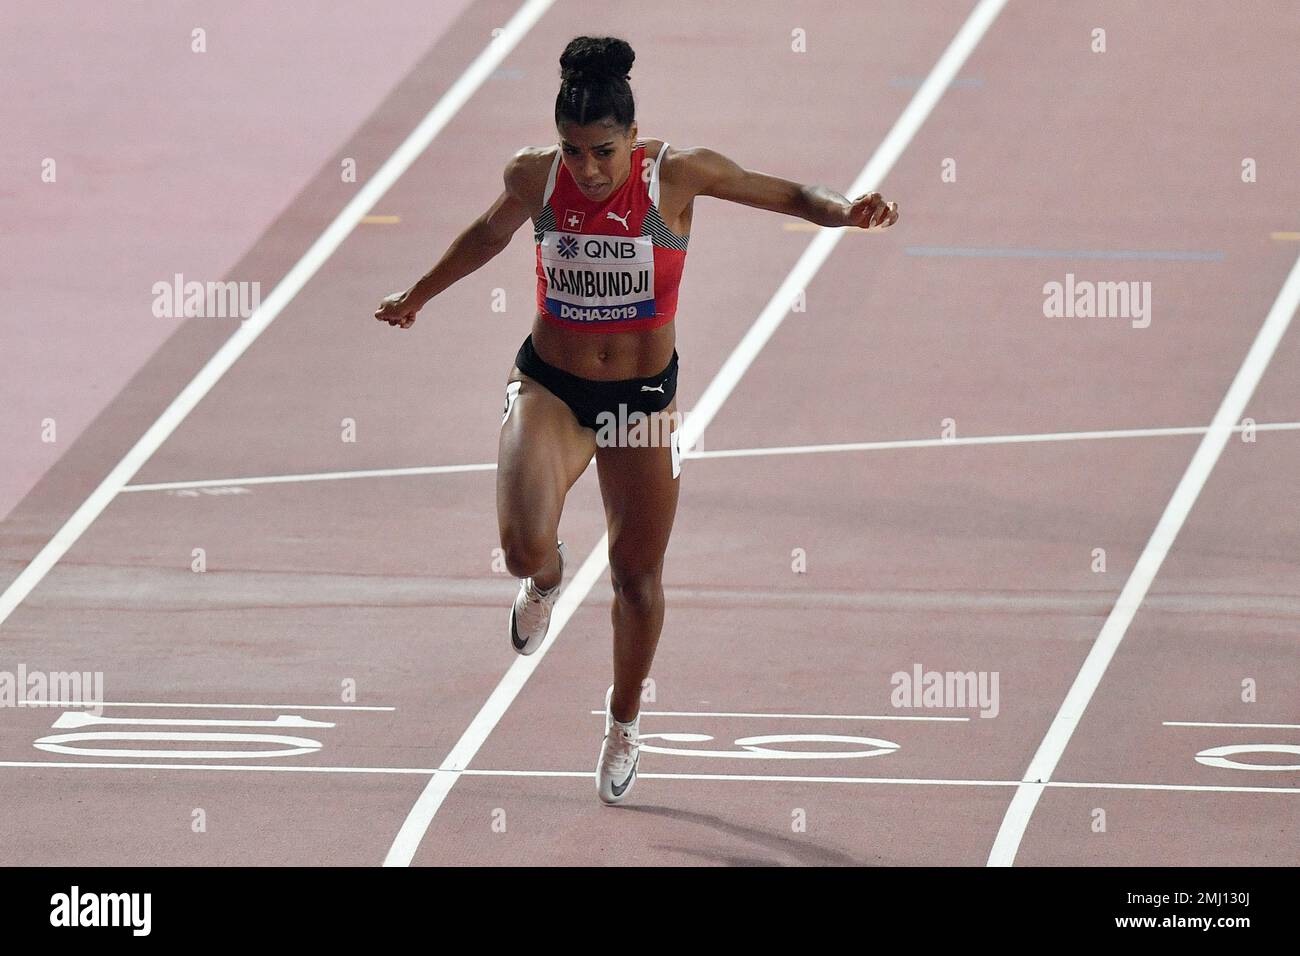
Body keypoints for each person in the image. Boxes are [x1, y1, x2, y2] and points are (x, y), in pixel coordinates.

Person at [374, 35, 899, 805]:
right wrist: (419, 293)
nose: (587, 169)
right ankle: (547, 585)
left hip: (642, 401)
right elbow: (488, 235)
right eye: (575, 150)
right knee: (521, 551)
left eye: (603, 152)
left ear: (633, 139)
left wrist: (846, 211)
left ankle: (623, 721)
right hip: (551, 384)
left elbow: (785, 193)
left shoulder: (675, 176)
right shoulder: (534, 177)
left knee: (636, 578)